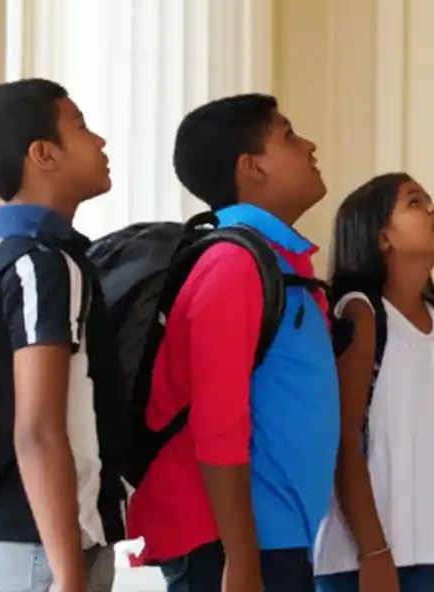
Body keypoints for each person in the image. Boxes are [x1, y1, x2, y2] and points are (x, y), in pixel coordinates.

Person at [125, 94, 340, 592]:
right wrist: (242, 562)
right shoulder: (234, 263)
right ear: (252, 166)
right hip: (228, 546)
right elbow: (216, 422)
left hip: (276, 538)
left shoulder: (280, 264)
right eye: (288, 135)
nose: (309, 145)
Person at [0, 79, 125, 592]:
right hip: (40, 544)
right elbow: (37, 430)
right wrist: (69, 574)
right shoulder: (42, 265)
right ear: (43, 154)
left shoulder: (28, 258)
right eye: (81, 127)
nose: (100, 140)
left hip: (35, 539)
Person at [313, 173, 434, 592]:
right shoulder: (362, 314)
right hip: (358, 560)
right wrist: (374, 552)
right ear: (383, 238)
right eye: (414, 202)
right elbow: (344, 439)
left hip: (422, 553)